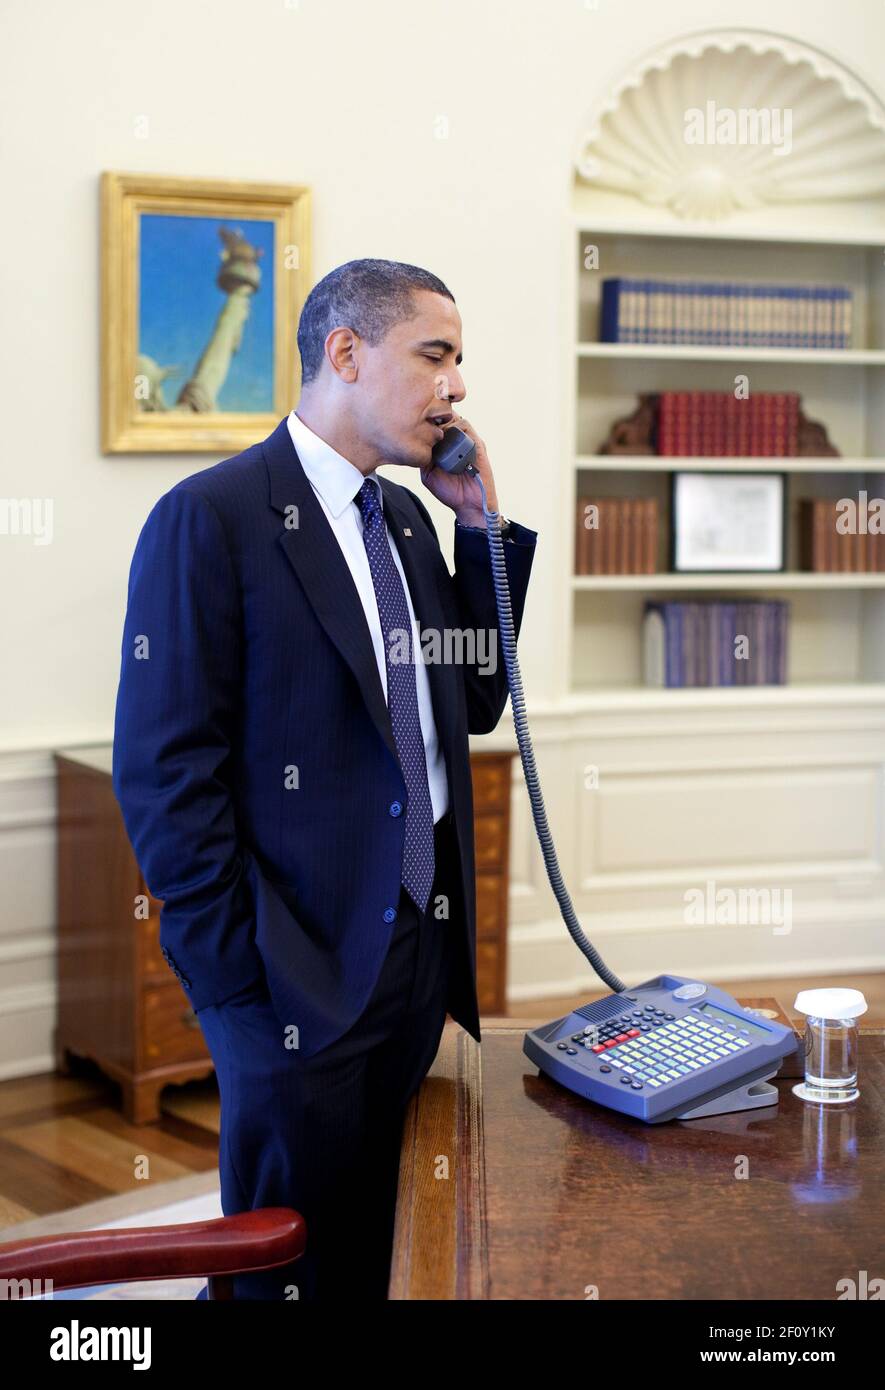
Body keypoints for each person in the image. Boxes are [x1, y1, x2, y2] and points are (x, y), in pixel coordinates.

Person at [112, 258, 537, 1299]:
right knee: (279, 1265)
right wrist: (235, 990)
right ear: (345, 353)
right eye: (435, 356)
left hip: (416, 955)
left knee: (394, 1235)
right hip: (286, 973)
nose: (458, 386)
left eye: (459, 360)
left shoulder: (405, 522)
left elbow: (471, 703)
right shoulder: (210, 518)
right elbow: (167, 772)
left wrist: (479, 528)